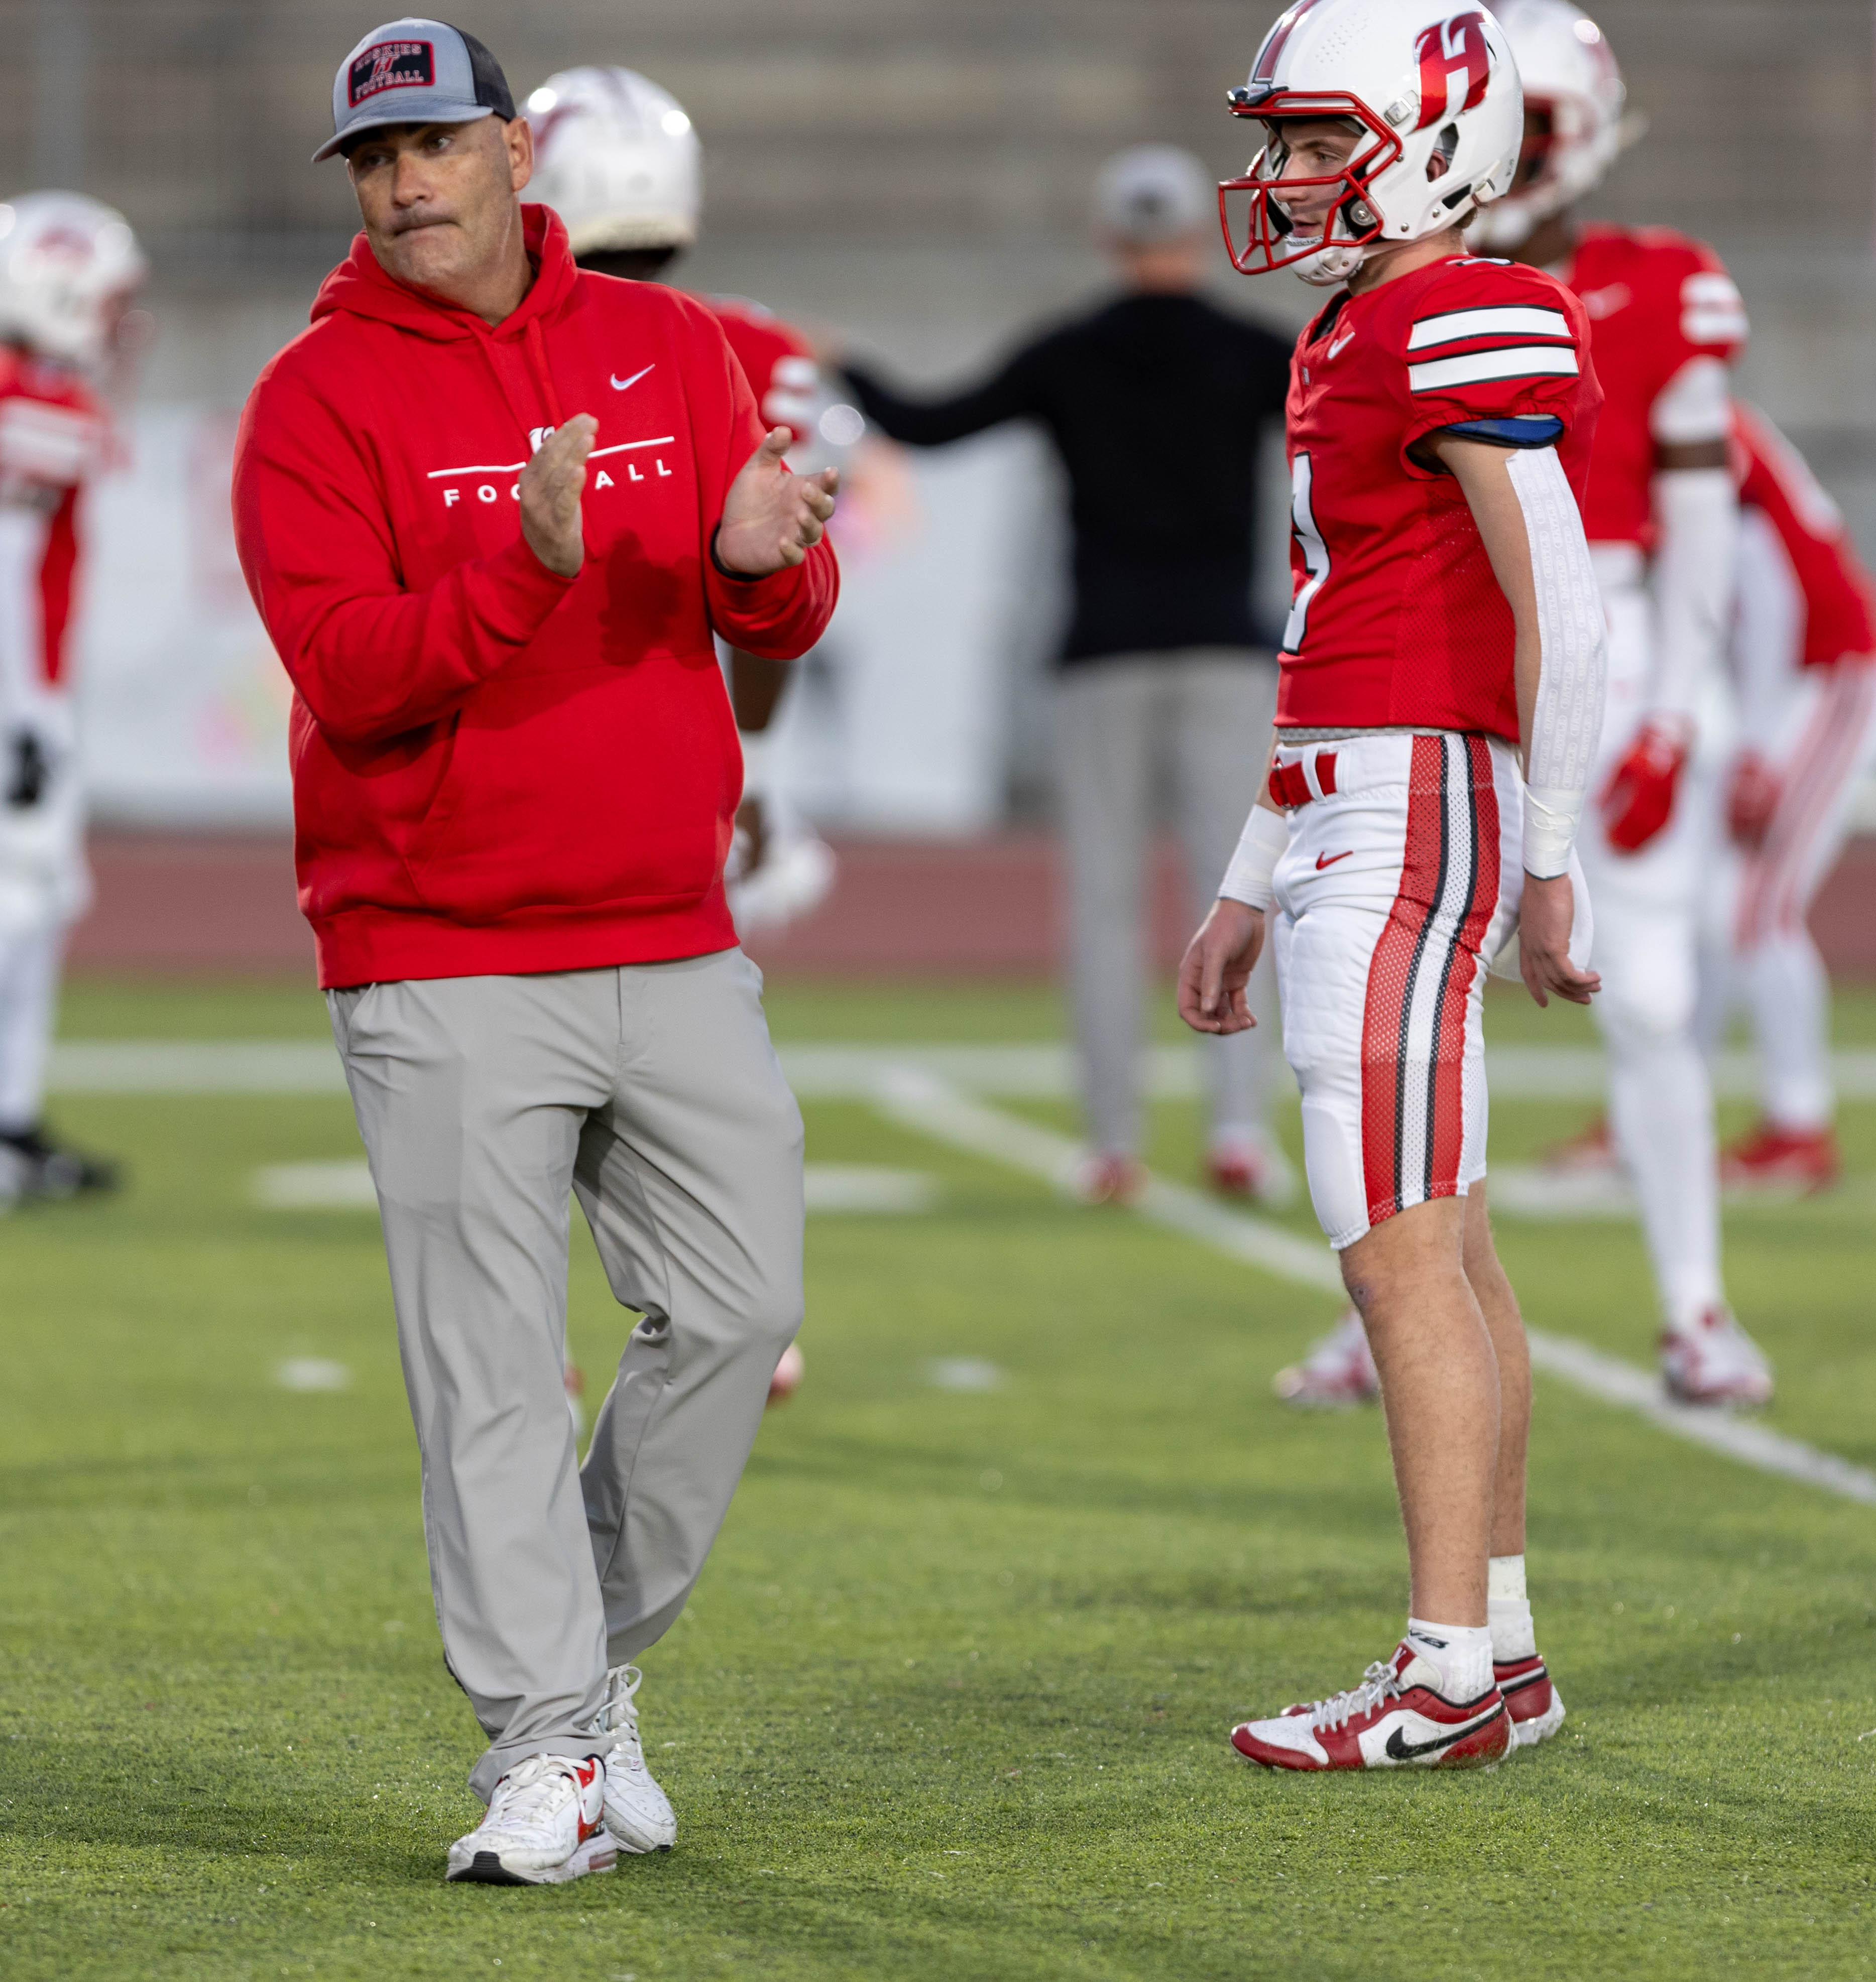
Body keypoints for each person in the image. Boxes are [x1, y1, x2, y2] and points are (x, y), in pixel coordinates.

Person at [231, 19, 839, 1885]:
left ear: (511, 149)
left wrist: (759, 563)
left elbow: (785, 610)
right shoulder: (311, 396)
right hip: (435, 944)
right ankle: (547, 1741)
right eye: (370, 159)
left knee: (738, 1307)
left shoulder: (675, 348)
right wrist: (527, 568)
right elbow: (346, 671)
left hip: (669, 928)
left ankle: (590, 1673)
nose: (402, 183)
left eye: (430, 145)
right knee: (490, 1368)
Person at [1182, 0, 1607, 1771]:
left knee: (1394, 1261)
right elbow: (1331, 630)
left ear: (1428, 143)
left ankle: (1439, 1666)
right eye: (1275, 140)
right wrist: (1246, 869)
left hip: (1412, 801)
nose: (1279, 176)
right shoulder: (1367, 323)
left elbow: (1557, 600)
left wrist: (1559, 852)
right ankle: (1492, 1648)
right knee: (1451, 1242)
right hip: (1355, 795)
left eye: (1307, 138)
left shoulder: (1456, 309)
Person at [839, 145, 1297, 1209]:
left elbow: (927, 422)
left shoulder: (1072, 350)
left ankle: (1111, 1142)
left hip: (1103, 652)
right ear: (1197, 231)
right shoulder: (1253, 348)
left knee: (1104, 902)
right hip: (1228, 650)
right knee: (1238, 892)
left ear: (1108, 237)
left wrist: (843, 364)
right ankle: (1238, 1128)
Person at [1469, 0, 1772, 1406]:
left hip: (1617, 637)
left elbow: (1704, 521)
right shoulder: (1408, 286)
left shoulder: (1655, 283)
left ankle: (1692, 1306)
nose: (1501, 151)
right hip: (1455, 643)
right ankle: (1388, 1313)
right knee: (1398, 1002)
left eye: (1526, 121)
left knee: (1647, 1001)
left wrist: (1674, 718)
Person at [520, 60, 823, 1407]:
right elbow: (771, 600)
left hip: (530, 732)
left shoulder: (506, 338)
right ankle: (717, 1299)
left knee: (528, 1067)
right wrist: (756, 760)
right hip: (681, 743)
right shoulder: (750, 346)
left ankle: (552, 1330)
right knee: (682, 1049)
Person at [1700, 404, 1876, 1190]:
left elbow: (1765, 588)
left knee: (1755, 910)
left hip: (1830, 676)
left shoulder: (1701, 427)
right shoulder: (1713, 420)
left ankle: (1798, 1125)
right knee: (1716, 909)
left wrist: (1756, 744)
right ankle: (1669, 1102)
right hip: (1802, 682)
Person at [0, 193, 145, 1205]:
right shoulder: (36, 412)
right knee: (16, 901)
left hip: (27, 698)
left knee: (40, 902)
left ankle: (10, 1123)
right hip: (14, 701)